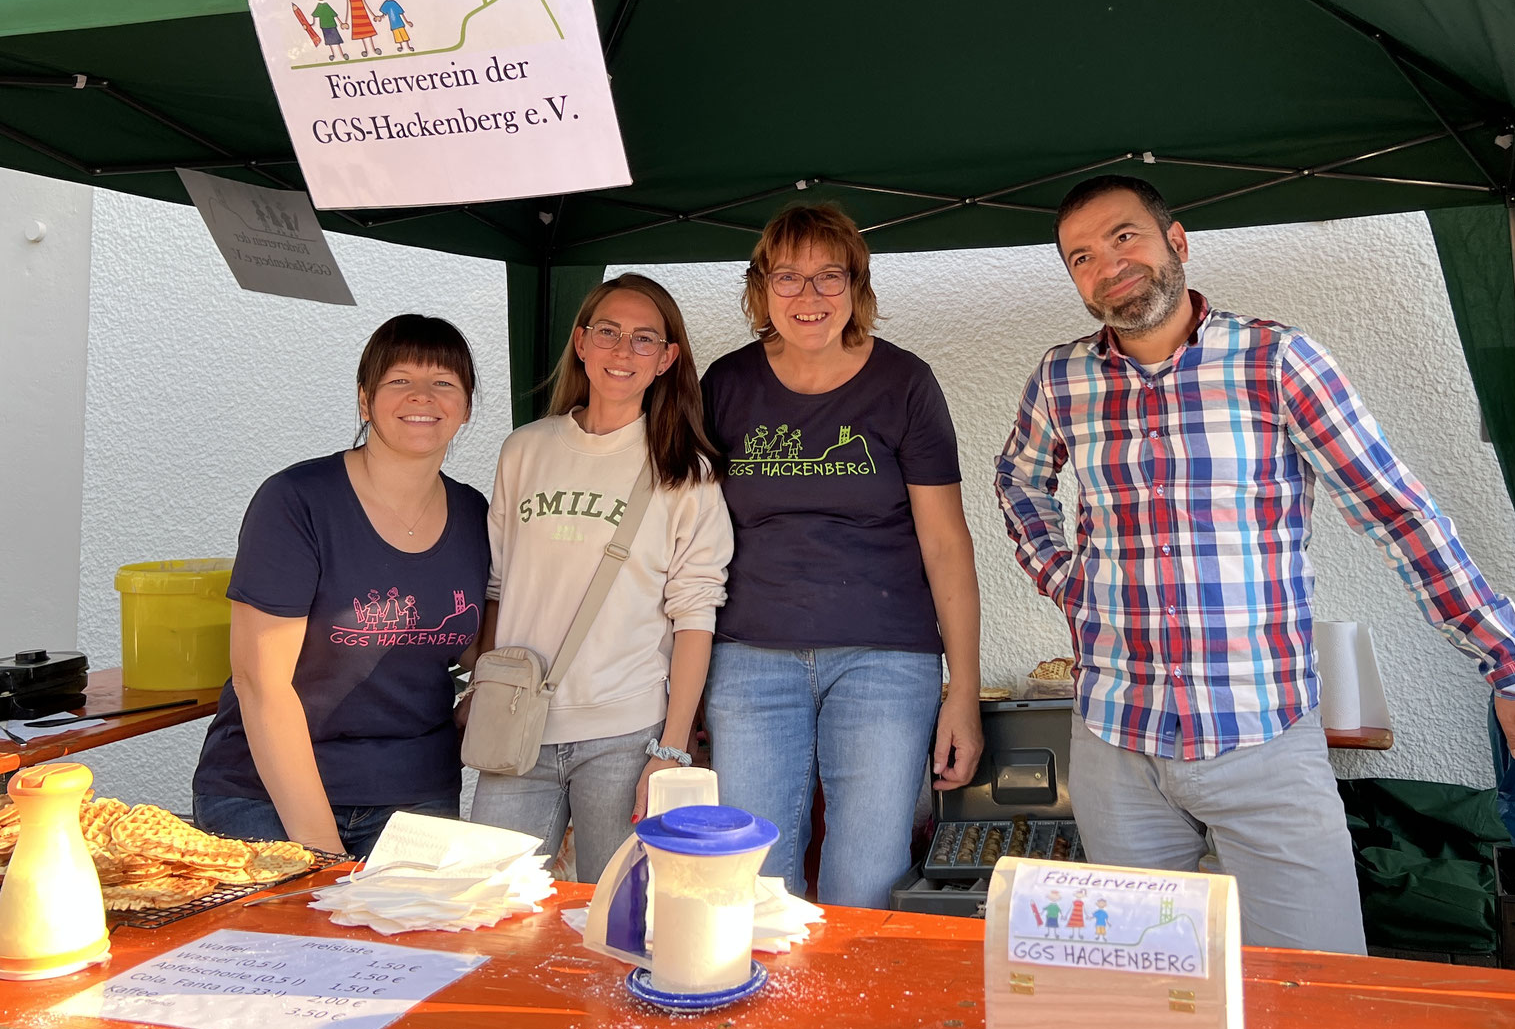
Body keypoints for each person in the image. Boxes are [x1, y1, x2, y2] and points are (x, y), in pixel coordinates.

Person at [994, 175, 1515, 953]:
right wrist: (1069, 583)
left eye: (1124, 237)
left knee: (1319, 985)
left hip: (1262, 737)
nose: (1107, 265)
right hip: (1115, 743)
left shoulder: (1277, 360)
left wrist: (1510, 663)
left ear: (1176, 241)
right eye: (1081, 256)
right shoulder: (1061, 378)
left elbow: (1397, 511)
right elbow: (1018, 482)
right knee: (1154, 989)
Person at [703, 203, 985, 910]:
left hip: (885, 660)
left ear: (857, 287)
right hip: (750, 657)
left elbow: (946, 543)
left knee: (866, 880)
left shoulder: (904, 384)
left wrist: (964, 689)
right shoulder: (726, 385)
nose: (810, 296)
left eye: (830, 276)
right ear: (762, 288)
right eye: (788, 277)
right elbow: (687, 535)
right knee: (755, 884)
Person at [191, 314, 487, 859]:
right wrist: (322, 853)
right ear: (365, 400)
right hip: (265, 798)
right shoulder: (296, 502)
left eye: (443, 382)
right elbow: (260, 684)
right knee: (300, 920)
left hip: (414, 797)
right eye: (400, 379)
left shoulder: (474, 514)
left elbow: (476, 642)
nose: (422, 396)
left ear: (465, 406)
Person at [467, 274, 733, 881]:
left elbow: (695, 615)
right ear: (581, 342)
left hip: (627, 735)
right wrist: (481, 690)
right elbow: (497, 587)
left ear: (667, 359)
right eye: (608, 332)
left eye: (644, 339)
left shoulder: (685, 472)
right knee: (490, 905)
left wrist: (671, 748)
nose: (623, 350)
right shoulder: (524, 450)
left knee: (616, 915)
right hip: (518, 728)